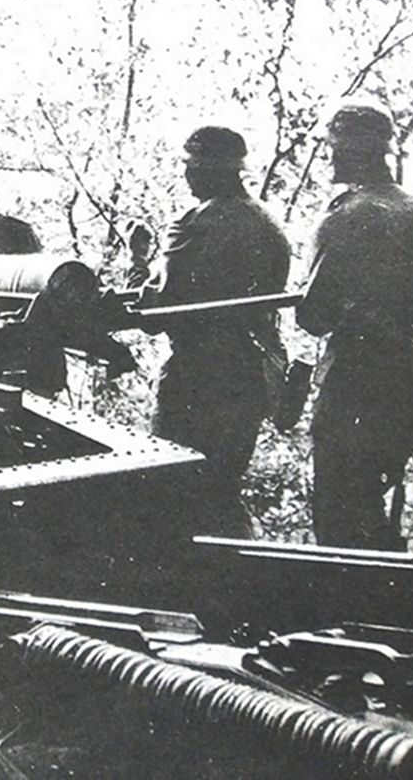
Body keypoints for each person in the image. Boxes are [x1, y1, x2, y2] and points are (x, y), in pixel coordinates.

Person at [295, 98, 413, 550]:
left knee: (339, 517)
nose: (328, 157)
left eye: (333, 146)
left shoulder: (345, 216)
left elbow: (313, 317)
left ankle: (354, 615)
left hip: (355, 385)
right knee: (372, 510)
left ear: (349, 149)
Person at [134, 126, 290, 537]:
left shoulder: (193, 224)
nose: (185, 175)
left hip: (197, 377)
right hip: (254, 375)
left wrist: (138, 263)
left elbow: (156, 314)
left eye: (190, 166)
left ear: (204, 170)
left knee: (171, 489)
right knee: (222, 490)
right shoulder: (268, 222)